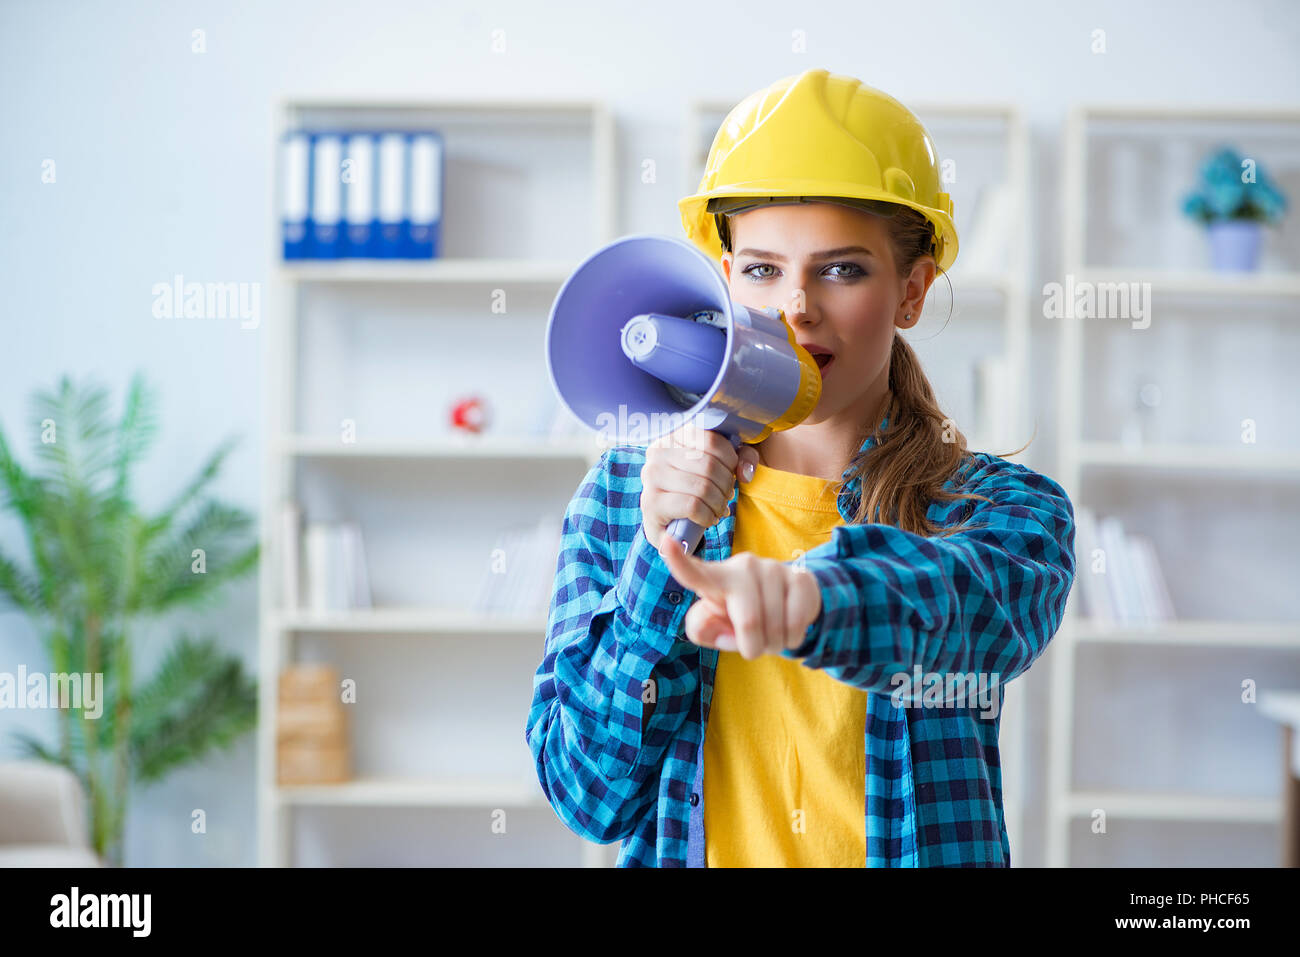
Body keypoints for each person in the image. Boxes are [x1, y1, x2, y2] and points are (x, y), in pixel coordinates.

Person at [526, 68, 1076, 867]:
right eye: (762, 269)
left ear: (912, 290)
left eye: (842, 269)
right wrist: (657, 558)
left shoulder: (1001, 511)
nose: (796, 306)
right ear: (723, 278)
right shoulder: (624, 498)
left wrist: (812, 599)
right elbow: (588, 796)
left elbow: (975, 618)